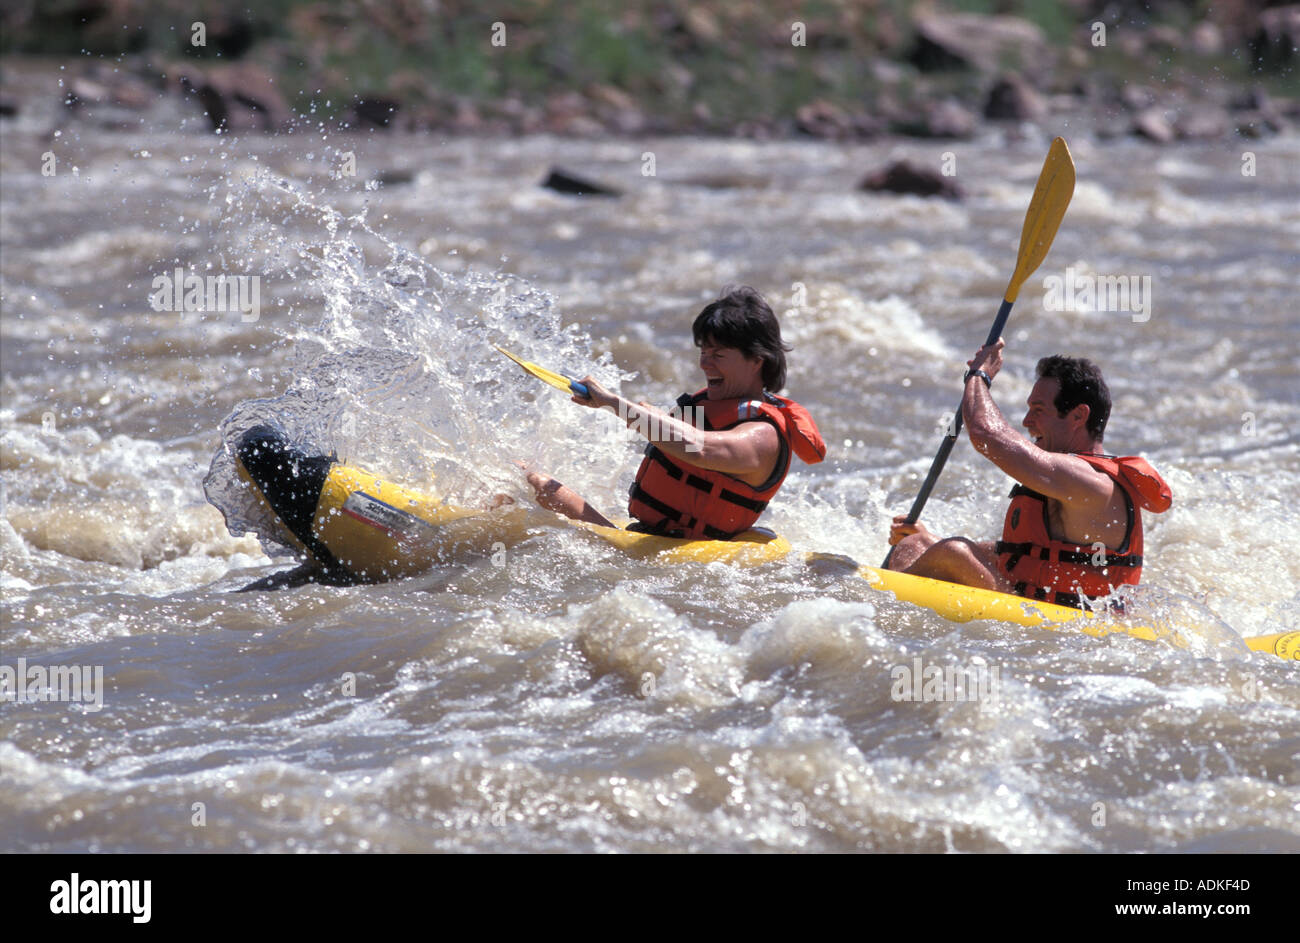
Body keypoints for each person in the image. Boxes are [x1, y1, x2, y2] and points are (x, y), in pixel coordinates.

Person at [886, 340, 1172, 609]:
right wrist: (928, 539)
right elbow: (1018, 555)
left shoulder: (1090, 481)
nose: (1026, 421)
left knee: (954, 553)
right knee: (915, 544)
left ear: (1078, 416)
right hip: (1031, 602)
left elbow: (987, 434)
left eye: (1038, 410)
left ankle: (880, 600)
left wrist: (979, 376)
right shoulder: (1067, 475)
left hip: (1069, 628)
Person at [523, 287, 826, 539]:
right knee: (516, 479)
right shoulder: (706, 406)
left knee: (535, 484)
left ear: (757, 361)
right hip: (647, 541)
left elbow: (700, 448)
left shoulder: (764, 436)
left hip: (680, 562)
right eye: (703, 353)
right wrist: (649, 414)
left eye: (718, 355)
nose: (704, 365)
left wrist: (614, 403)